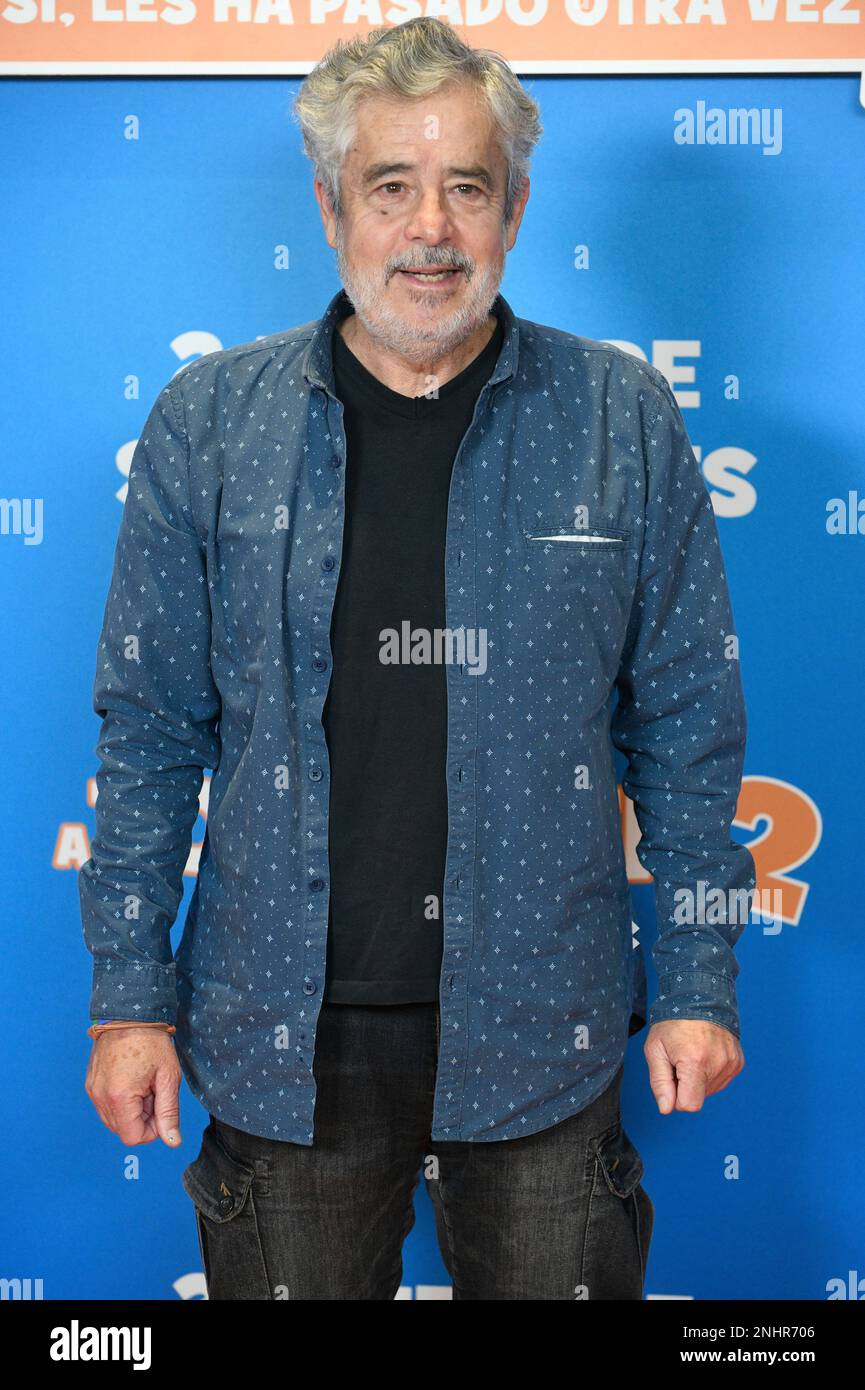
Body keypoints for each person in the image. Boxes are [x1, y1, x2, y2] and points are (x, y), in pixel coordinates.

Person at [80, 16, 755, 1300]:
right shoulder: (210, 425)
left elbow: (686, 728)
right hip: (284, 1046)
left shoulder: (620, 420)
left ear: (513, 208)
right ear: (333, 207)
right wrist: (130, 1001)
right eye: (392, 186)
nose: (430, 229)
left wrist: (700, 984)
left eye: (466, 187)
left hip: (544, 1042)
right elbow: (152, 731)